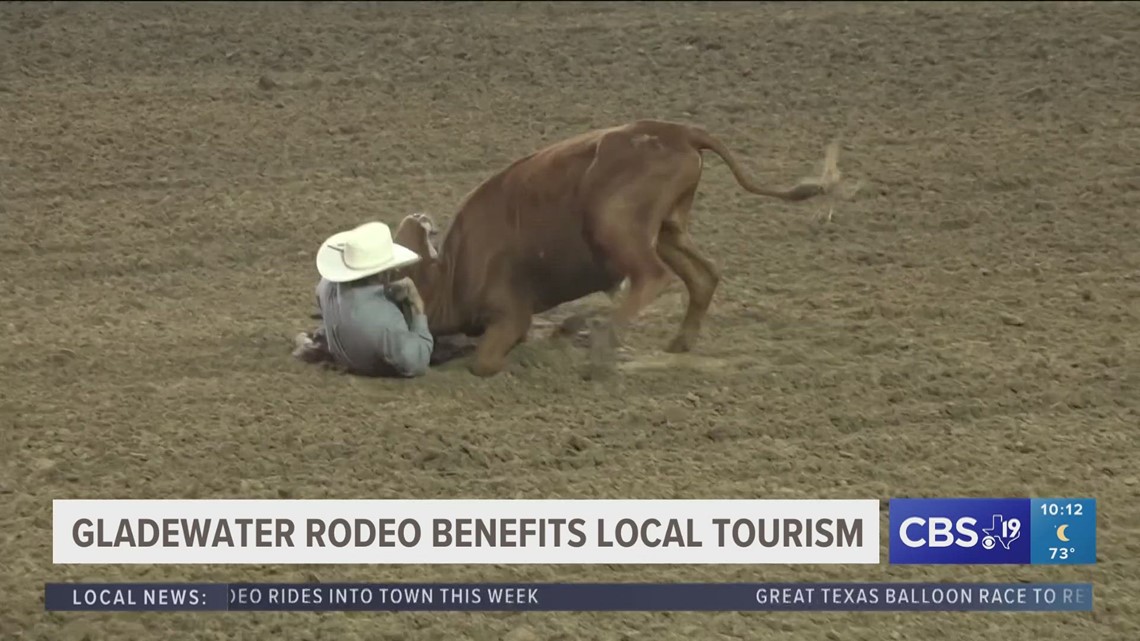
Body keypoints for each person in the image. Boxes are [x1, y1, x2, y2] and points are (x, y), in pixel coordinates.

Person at [292, 221, 434, 378]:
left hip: (343, 347)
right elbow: (416, 362)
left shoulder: (326, 285)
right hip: (372, 359)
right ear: (382, 272)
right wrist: (417, 309)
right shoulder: (385, 324)